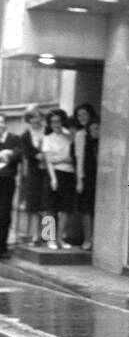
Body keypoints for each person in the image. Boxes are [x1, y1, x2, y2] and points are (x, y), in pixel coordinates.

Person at [40, 108, 76, 249]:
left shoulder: (68, 137)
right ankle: (49, 239)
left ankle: (60, 238)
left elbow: (72, 159)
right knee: (50, 207)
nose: (56, 124)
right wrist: (53, 178)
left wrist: (59, 159)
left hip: (69, 174)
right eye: (53, 121)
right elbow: (49, 160)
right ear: (50, 123)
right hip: (53, 174)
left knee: (66, 208)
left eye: (59, 121)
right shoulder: (47, 138)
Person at [73, 103, 99, 251]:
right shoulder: (79, 135)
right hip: (85, 176)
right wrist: (79, 179)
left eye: (84, 114)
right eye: (79, 115)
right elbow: (79, 157)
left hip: (98, 176)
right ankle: (87, 239)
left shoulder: (96, 133)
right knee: (86, 209)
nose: (82, 117)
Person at [18, 105, 44, 244]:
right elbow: (28, 153)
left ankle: (48, 235)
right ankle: (36, 234)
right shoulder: (26, 135)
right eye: (32, 117)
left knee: (48, 205)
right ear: (29, 119)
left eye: (38, 116)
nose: (36, 119)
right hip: (34, 173)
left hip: (48, 171)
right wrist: (38, 154)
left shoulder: (47, 131)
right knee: (34, 205)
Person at [0, 115, 21, 258]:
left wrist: (8, 155)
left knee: (4, 213)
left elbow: (18, 155)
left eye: (1, 122)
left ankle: (2, 246)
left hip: (7, 179)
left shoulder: (15, 138)